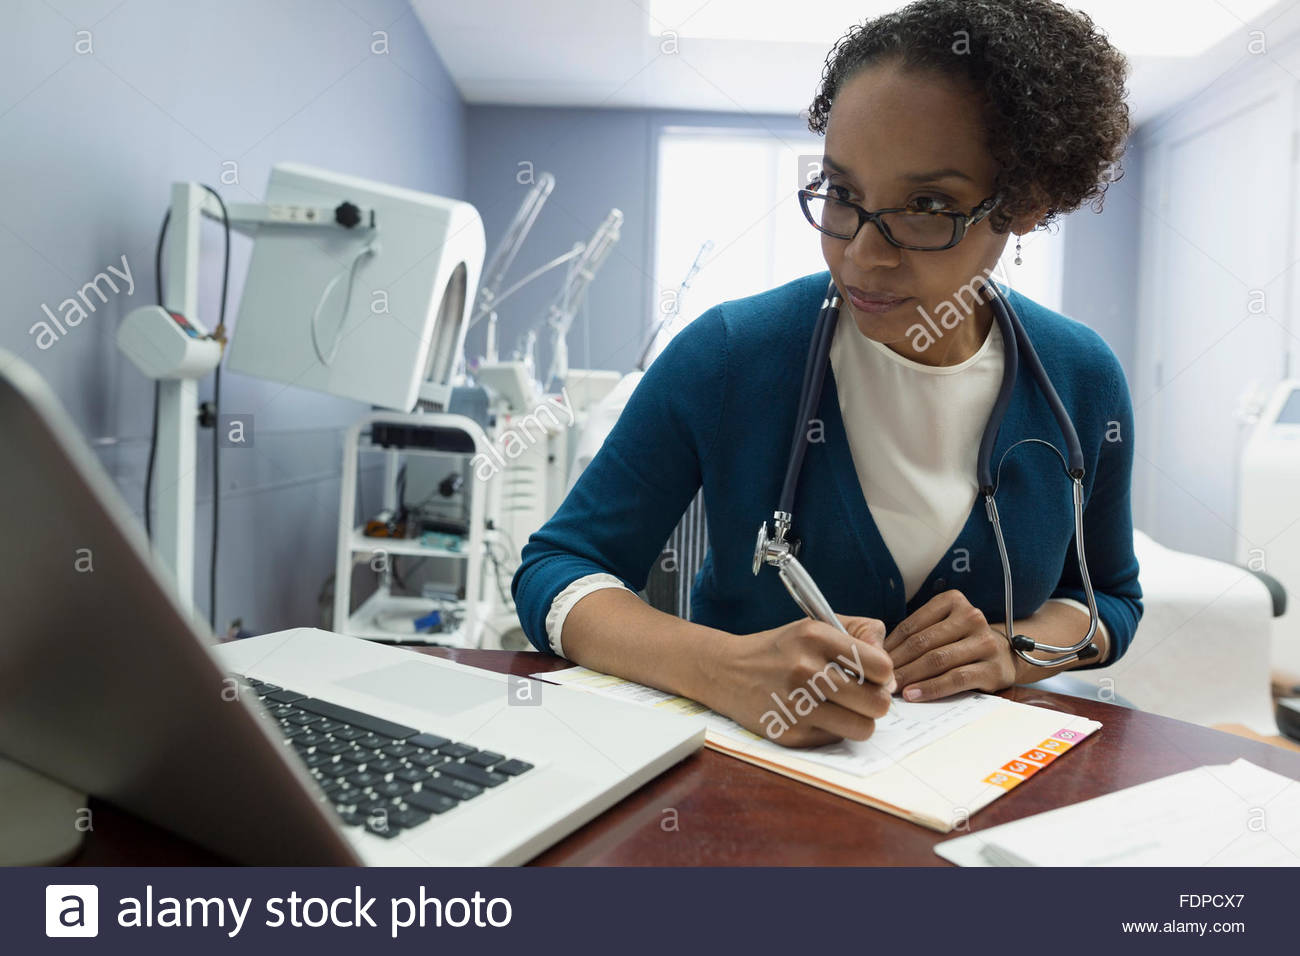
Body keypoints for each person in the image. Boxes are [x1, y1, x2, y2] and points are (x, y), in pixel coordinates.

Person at [511, 0, 1141, 748]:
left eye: (928, 206)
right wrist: (721, 667)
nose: (860, 256)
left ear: (1028, 203)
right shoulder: (729, 355)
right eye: (843, 194)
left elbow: (1108, 602)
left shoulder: (1081, 380)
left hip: (968, 823)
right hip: (743, 815)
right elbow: (558, 567)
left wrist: (1012, 650)